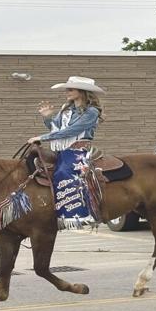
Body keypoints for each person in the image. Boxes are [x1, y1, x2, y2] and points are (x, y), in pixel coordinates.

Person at [30, 75, 105, 231]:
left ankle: (77, 214)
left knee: (65, 171)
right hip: (61, 149)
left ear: (82, 91)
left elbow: (72, 131)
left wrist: (42, 138)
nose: (67, 92)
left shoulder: (91, 112)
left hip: (78, 150)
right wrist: (48, 117)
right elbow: (56, 128)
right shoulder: (66, 109)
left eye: (70, 89)